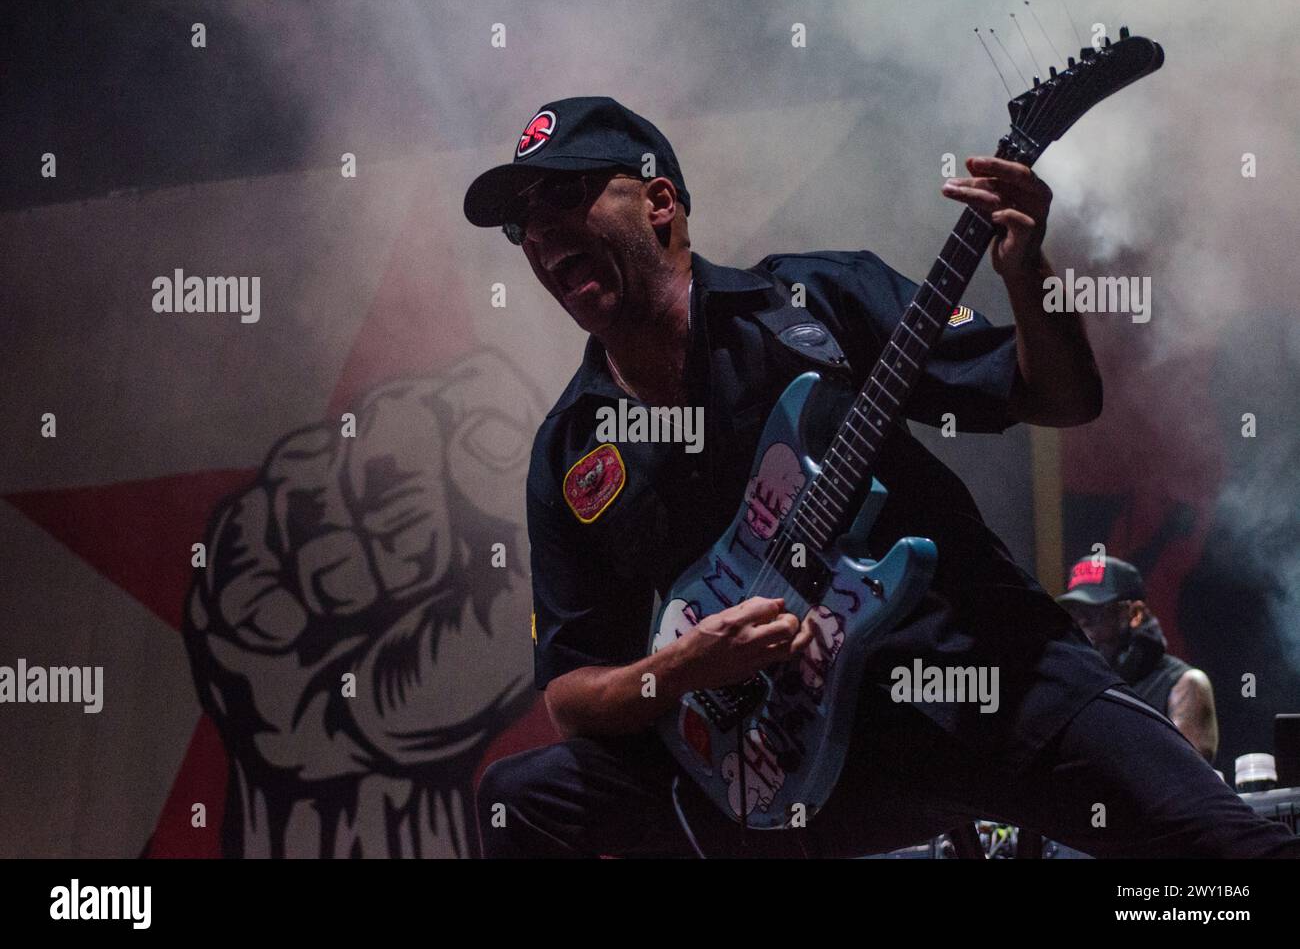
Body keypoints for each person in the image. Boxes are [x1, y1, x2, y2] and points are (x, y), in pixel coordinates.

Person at [462, 96, 1299, 857]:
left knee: (1231, 857)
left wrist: (1025, 268)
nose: (538, 232)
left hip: (987, 680)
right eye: (521, 222)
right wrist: (681, 671)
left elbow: (1060, 395)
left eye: (564, 196)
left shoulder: (814, 304)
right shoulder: (574, 450)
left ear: (658, 202)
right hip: (785, 763)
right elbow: (574, 693)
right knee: (519, 800)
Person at [1057, 556, 1219, 762]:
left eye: (1094, 611)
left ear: (1134, 614)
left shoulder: (1184, 686)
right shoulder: (1075, 687)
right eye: (1075, 613)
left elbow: (1185, 781)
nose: (1082, 623)